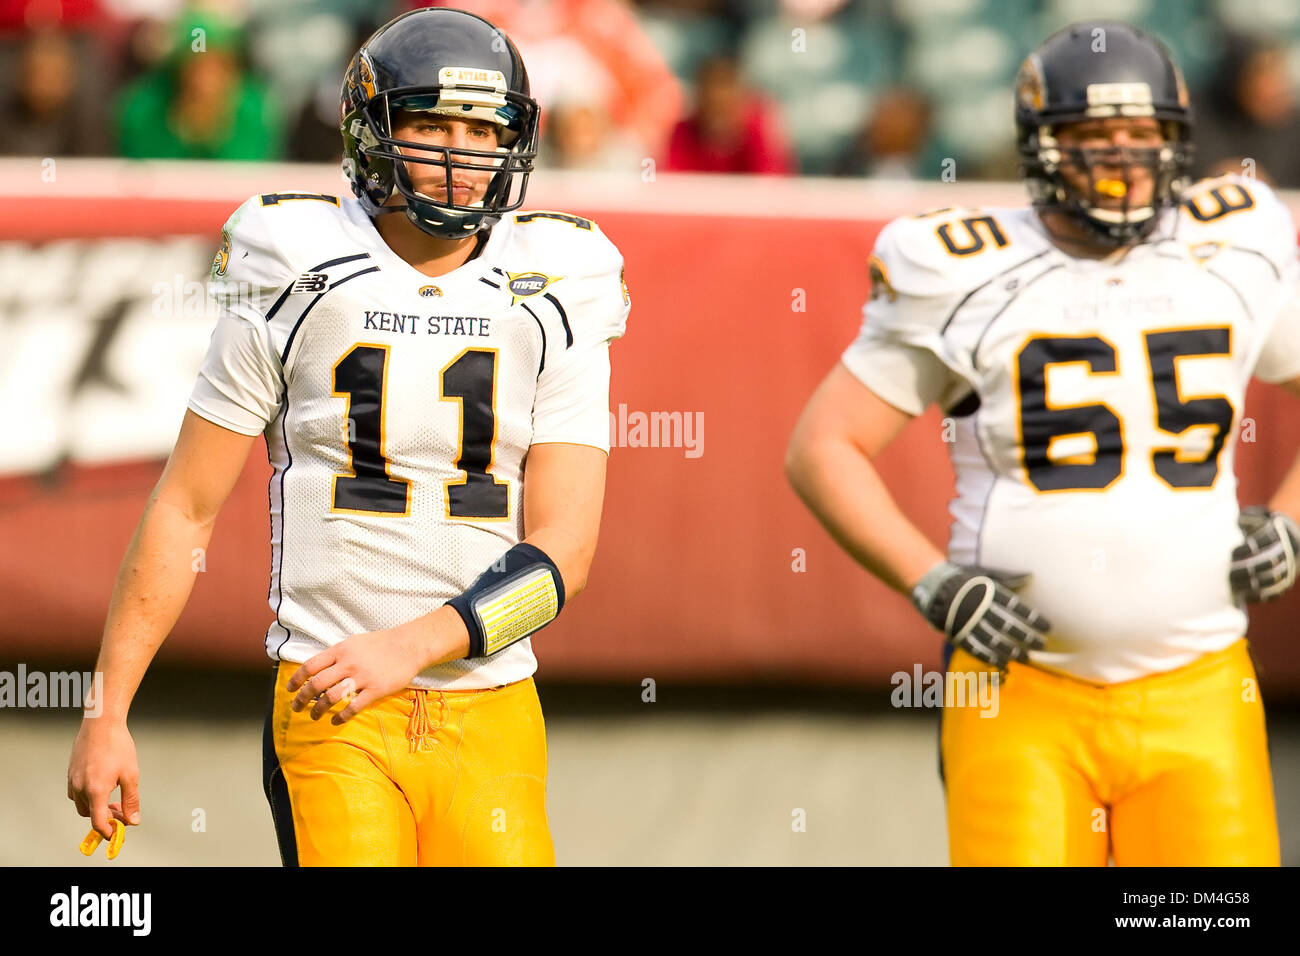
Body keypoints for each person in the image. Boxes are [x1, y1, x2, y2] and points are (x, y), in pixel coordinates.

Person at [67, 7, 630, 867]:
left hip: (492, 703)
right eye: (430, 122)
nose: (459, 151)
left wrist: (411, 646)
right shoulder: (294, 262)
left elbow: (567, 556)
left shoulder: (558, 280)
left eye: (482, 127)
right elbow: (185, 508)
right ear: (373, 132)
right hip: (331, 700)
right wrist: (107, 713)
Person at [786, 21, 1300, 866]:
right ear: (1041, 148)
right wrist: (933, 585)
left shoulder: (1230, 249)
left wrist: (1287, 521)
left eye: (1143, 135)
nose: (1122, 156)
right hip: (1020, 693)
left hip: (1204, 685)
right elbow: (824, 446)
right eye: (1093, 136)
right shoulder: (967, 269)